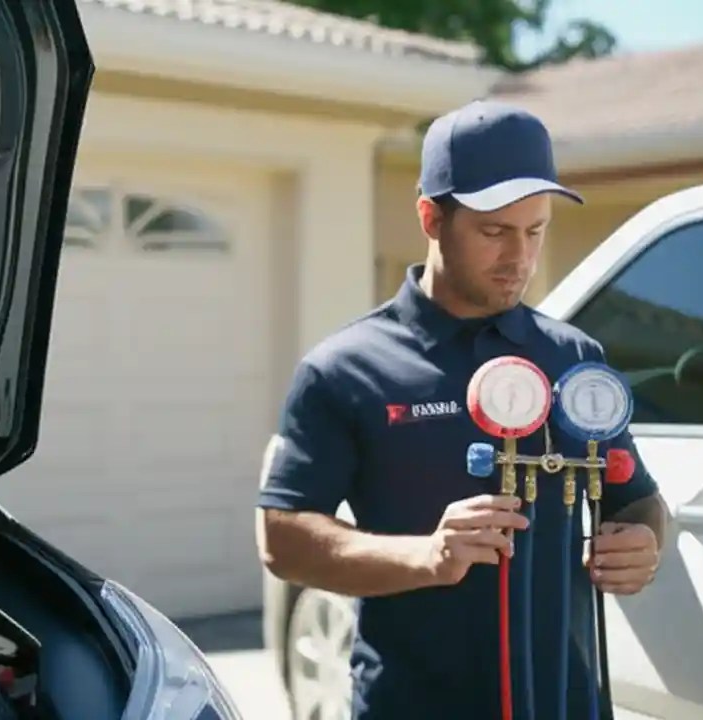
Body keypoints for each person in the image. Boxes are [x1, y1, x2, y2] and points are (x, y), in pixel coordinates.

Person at [255, 99, 669, 720]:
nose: (519, 258)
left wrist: (643, 540)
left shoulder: (574, 355)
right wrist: (425, 556)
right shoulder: (345, 367)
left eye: (535, 231)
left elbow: (636, 496)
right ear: (430, 216)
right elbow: (283, 539)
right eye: (495, 231)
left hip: (564, 701)